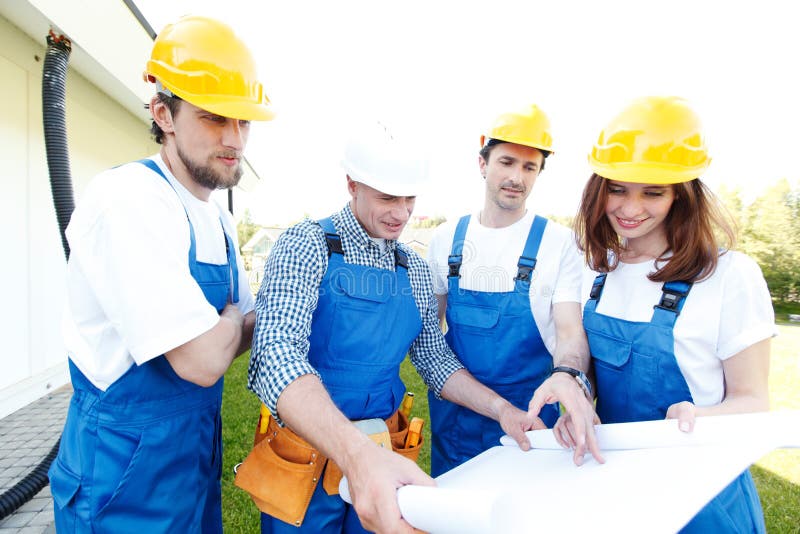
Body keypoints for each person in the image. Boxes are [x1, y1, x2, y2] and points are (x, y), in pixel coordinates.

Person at [245, 123, 551, 534]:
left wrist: (503, 410)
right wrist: (354, 454)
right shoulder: (306, 244)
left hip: (385, 456)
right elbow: (275, 354)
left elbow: (434, 359)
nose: (402, 213)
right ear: (352, 184)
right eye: (388, 197)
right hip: (304, 459)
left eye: (409, 199)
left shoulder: (415, 268)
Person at [48, 15, 272, 532]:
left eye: (243, 122)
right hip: (120, 474)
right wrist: (232, 321)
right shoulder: (128, 201)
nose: (235, 139)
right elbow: (201, 360)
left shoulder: (216, 217)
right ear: (163, 114)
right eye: (215, 118)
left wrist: (228, 326)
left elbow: (232, 338)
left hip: (191, 459)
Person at [561, 95, 773, 532]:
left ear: (681, 195)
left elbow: (754, 402)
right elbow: (596, 374)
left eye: (652, 193)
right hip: (618, 491)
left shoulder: (729, 275)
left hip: (701, 496)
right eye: (616, 188)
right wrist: (578, 399)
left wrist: (699, 419)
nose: (629, 208)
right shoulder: (596, 272)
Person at [426, 104, 602, 476]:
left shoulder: (560, 244)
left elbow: (570, 332)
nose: (517, 178)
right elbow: (428, 333)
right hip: (456, 419)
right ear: (482, 163)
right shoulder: (445, 241)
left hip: (531, 420)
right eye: (507, 162)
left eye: (529, 167)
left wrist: (568, 375)